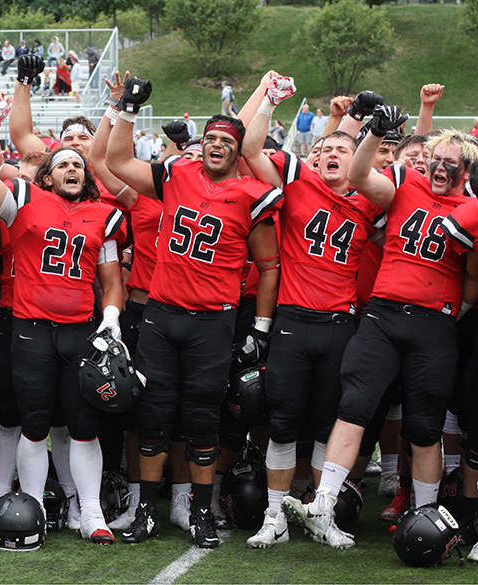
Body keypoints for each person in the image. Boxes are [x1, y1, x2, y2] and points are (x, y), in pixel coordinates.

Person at [284, 115, 478, 550]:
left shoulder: (471, 208)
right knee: (354, 403)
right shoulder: (406, 183)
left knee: (424, 426)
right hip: (384, 315)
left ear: (466, 172)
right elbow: (358, 176)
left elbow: (472, 281)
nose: (439, 168)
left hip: (434, 324)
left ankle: (427, 517)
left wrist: (450, 313)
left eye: (450, 163)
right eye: (435, 159)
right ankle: (324, 503)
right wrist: (372, 133)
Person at [106, 76, 282, 550]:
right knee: (153, 414)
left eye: (227, 140)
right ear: (201, 144)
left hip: (212, 321)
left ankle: (202, 512)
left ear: (239, 151)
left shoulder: (252, 195)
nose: (217, 145)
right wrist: (127, 109)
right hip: (162, 315)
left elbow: (269, 267)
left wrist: (261, 327)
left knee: (202, 418)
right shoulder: (176, 174)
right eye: (211, 138)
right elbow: (117, 161)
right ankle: (146, 511)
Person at [0, 93, 127, 545]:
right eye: (63, 164)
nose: (72, 168)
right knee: (35, 425)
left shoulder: (103, 216)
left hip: (81, 332)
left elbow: (112, 280)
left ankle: (91, 511)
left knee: (84, 427)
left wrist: (111, 318)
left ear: (86, 176)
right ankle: (32, 509)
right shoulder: (24, 200)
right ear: (47, 176)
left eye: (78, 164)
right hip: (32, 331)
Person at [238, 76, 386, 549]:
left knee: (327, 426)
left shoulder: (370, 202)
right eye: (327, 150)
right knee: (282, 425)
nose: (333, 154)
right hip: (293, 322)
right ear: (315, 158)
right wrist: (269, 100)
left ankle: (323, 514)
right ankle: (274, 517)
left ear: (357, 159)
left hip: (341, 325)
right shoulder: (297, 183)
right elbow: (251, 147)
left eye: (344, 150)